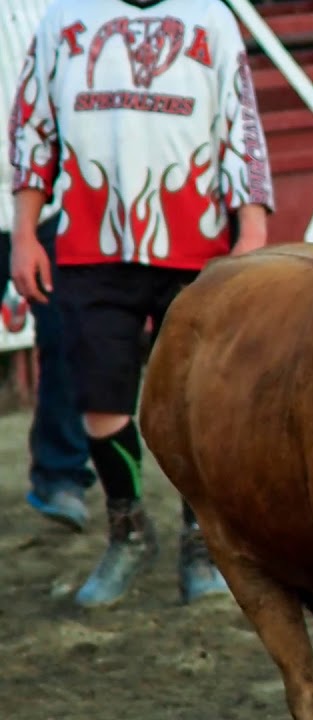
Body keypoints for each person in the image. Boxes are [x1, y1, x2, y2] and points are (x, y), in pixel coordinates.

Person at [8, 0, 276, 608]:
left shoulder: (210, 17)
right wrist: (25, 233)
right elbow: (33, 128)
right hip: (90, 246)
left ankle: (201, 541)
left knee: (199, 403)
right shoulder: (63, 18)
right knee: (100, 402)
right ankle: (128, 532)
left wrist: (253, 228)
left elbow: (241, 126)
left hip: (197, 246)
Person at [2, 0, 98, 532]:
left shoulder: (55, 6)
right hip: (37, 191)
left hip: (47, 197)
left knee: (67, 334)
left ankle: (60, 474)